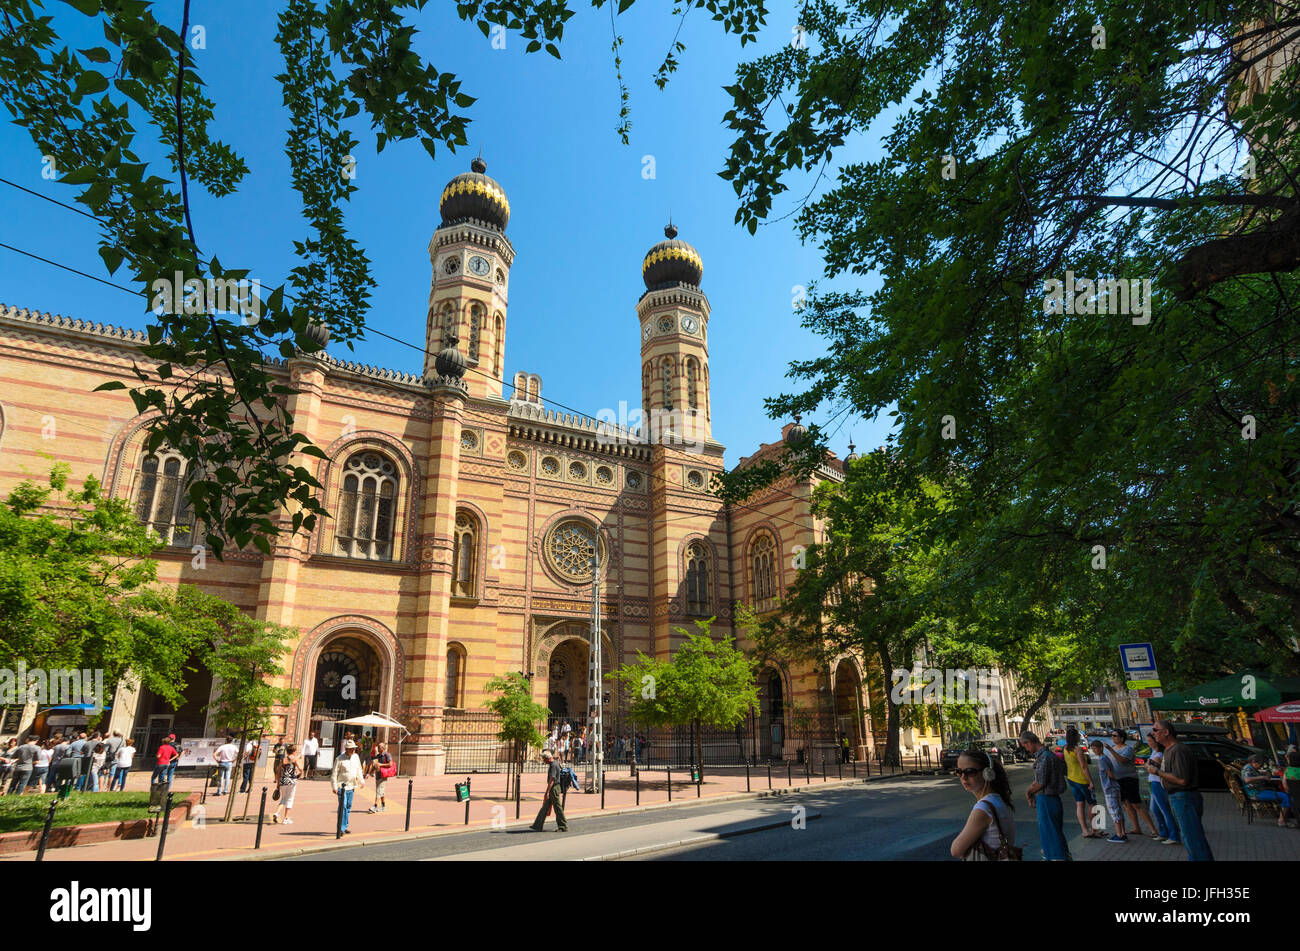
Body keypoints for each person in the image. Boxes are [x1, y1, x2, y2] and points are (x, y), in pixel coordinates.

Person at [1147, 720, 1214, 861]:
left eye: (1155, 730)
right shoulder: (1170, 750)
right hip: (1179, 797)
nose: (1153, 734)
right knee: (1189, 837)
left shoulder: (1178, 749)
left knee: (1193, 837)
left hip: (1184, 797)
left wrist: (1157, 771)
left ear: (1166, 732)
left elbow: (1181, 779)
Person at [950, 748, 1017, 860]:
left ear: (987, 773)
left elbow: (955, 850)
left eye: (970, 771)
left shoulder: (983, 809)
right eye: (959, 771)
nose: (963, 777)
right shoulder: (998, 799)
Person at [1019, 730, 1070, 860]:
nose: (1026, 749)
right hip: (1048, 798)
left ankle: (1056, 857)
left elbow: (1041, 782)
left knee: (1051, 833)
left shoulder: (1045, 757)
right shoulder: (1046, 756)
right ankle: (1057, 855)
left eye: (1025, 746)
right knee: (1052, 832)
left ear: (1029, 743)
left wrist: (1029, 791)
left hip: (1048, 798)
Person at [1104, 728, 1160, 839]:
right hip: (1117, 779)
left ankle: (1153, 829)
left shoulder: (1127, 749)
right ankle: (1136, 827)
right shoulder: (1112, 749)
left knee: (1136, 804)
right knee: (1126, 804)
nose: (1113, 737)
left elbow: (1122, 760)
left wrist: (1111, 750)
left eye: (1115, 736)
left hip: (1129, 779)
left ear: (1122, 738)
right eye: (1112, 736)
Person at [1062, 728, 1101, 838]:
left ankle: (1085, 830)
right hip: (1082, 780)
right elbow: (1084, 767)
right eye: (1078, 735)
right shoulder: (1077, 749)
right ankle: (1094, 829)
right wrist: (1091, 781)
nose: (1080, 737)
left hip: (1071, 778)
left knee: (1079, 804)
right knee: (1093, 804)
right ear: (1076, 737)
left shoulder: (1065, 748)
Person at [1144, 732, 1180, 845]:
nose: (1148, 743)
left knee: (1164, 809)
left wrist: (1150, 765)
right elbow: (1147, 766)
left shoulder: (1159, 754)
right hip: (1153, 781)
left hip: (1157, 782)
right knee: (1154, 809)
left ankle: (1174, 835)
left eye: (1150, 741)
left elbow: (1152, 767)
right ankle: (1163, 832)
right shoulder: (1153, 752)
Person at [1091, 740, 1127, 842]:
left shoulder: (1102, 759)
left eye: (1095, 748)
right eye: (1093, 748)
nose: (1094, 751)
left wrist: (1113, 779)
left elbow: (1109, 773)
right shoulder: (1105, 758)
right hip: (1113, 787)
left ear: (1101, 748)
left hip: (1109, 788)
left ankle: (1119, 834)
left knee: (1114, 811)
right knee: (1118, 810)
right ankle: (1122, 833)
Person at [1241, 753, 1292, 826]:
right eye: (1260, 764)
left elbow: (1254, 774)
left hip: (1258, 791)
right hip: (1256, 793)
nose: (1260, 766)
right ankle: (1281, 821)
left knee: (1282, 794)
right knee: (1285, 797)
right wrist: (1262, 777)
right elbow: (1247, 780)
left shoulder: (1249, 767)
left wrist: (1264, 773)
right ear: (1254, 762)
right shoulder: (1248, 769)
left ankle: (1283, 817)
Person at [331, 738, 365, 834]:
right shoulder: (339, 759)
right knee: (343, 806)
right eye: (351, 749)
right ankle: (340, 828)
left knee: (348, 806)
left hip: (352, 786)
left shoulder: (356, 757)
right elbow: (334, 774)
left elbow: (358, 769)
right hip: (341, 786)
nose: (353, 750)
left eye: (354, 748)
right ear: (346, 749)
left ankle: (344, 826)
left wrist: (361, 780)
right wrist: (334, 787)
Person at [530, 750, 568, 832]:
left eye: (544, 759)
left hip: (554, 788)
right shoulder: (555, 763)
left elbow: (552, 779)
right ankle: (537, 825)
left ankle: (563, 826)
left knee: (558, 808)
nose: (544, 761)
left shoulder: (553, 765)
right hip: (554, 788)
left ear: (547, 758)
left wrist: (547, 791)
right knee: (545, 808)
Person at [272, 742, 300, 824]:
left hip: (282, 781)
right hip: (291, 781)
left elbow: (278, 771)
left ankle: (276, 813)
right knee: (290, 799)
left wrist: (277, 784)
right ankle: (286, 818)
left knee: (283, 799)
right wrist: (299, 774)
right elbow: (301, 769)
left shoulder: (282, 760)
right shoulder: (294, 759)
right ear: (294, 751)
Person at [367, 742, 393, 814]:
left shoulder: (387, 755)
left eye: (379, 747)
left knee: (378, 791)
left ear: (383, 748)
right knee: (381, 791)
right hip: (378, 775)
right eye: (378, 747)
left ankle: (375, 806)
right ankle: (383, 806)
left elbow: (390, 764)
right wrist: (369, 773)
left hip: (383, 775)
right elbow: (374, 765)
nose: (377, 748)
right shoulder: (378, 756)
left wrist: (381, 764)